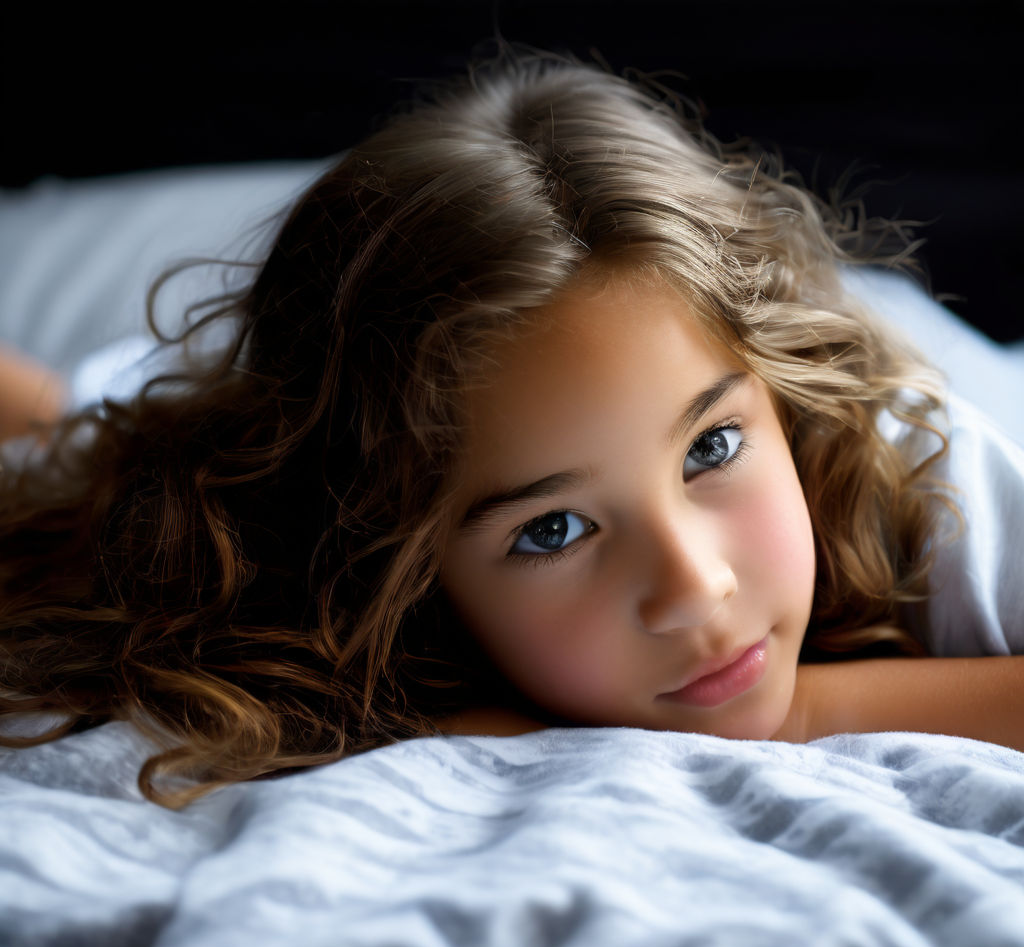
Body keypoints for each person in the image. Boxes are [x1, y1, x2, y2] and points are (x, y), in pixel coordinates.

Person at [1, 52, 1021, 808]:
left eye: (711, 447)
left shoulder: (922, 467)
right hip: (193, 426)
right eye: (552, 530)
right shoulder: (306, 572)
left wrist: (803, 715)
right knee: (73, 438)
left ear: (773, 398)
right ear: (399, 562)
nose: (693, 588)